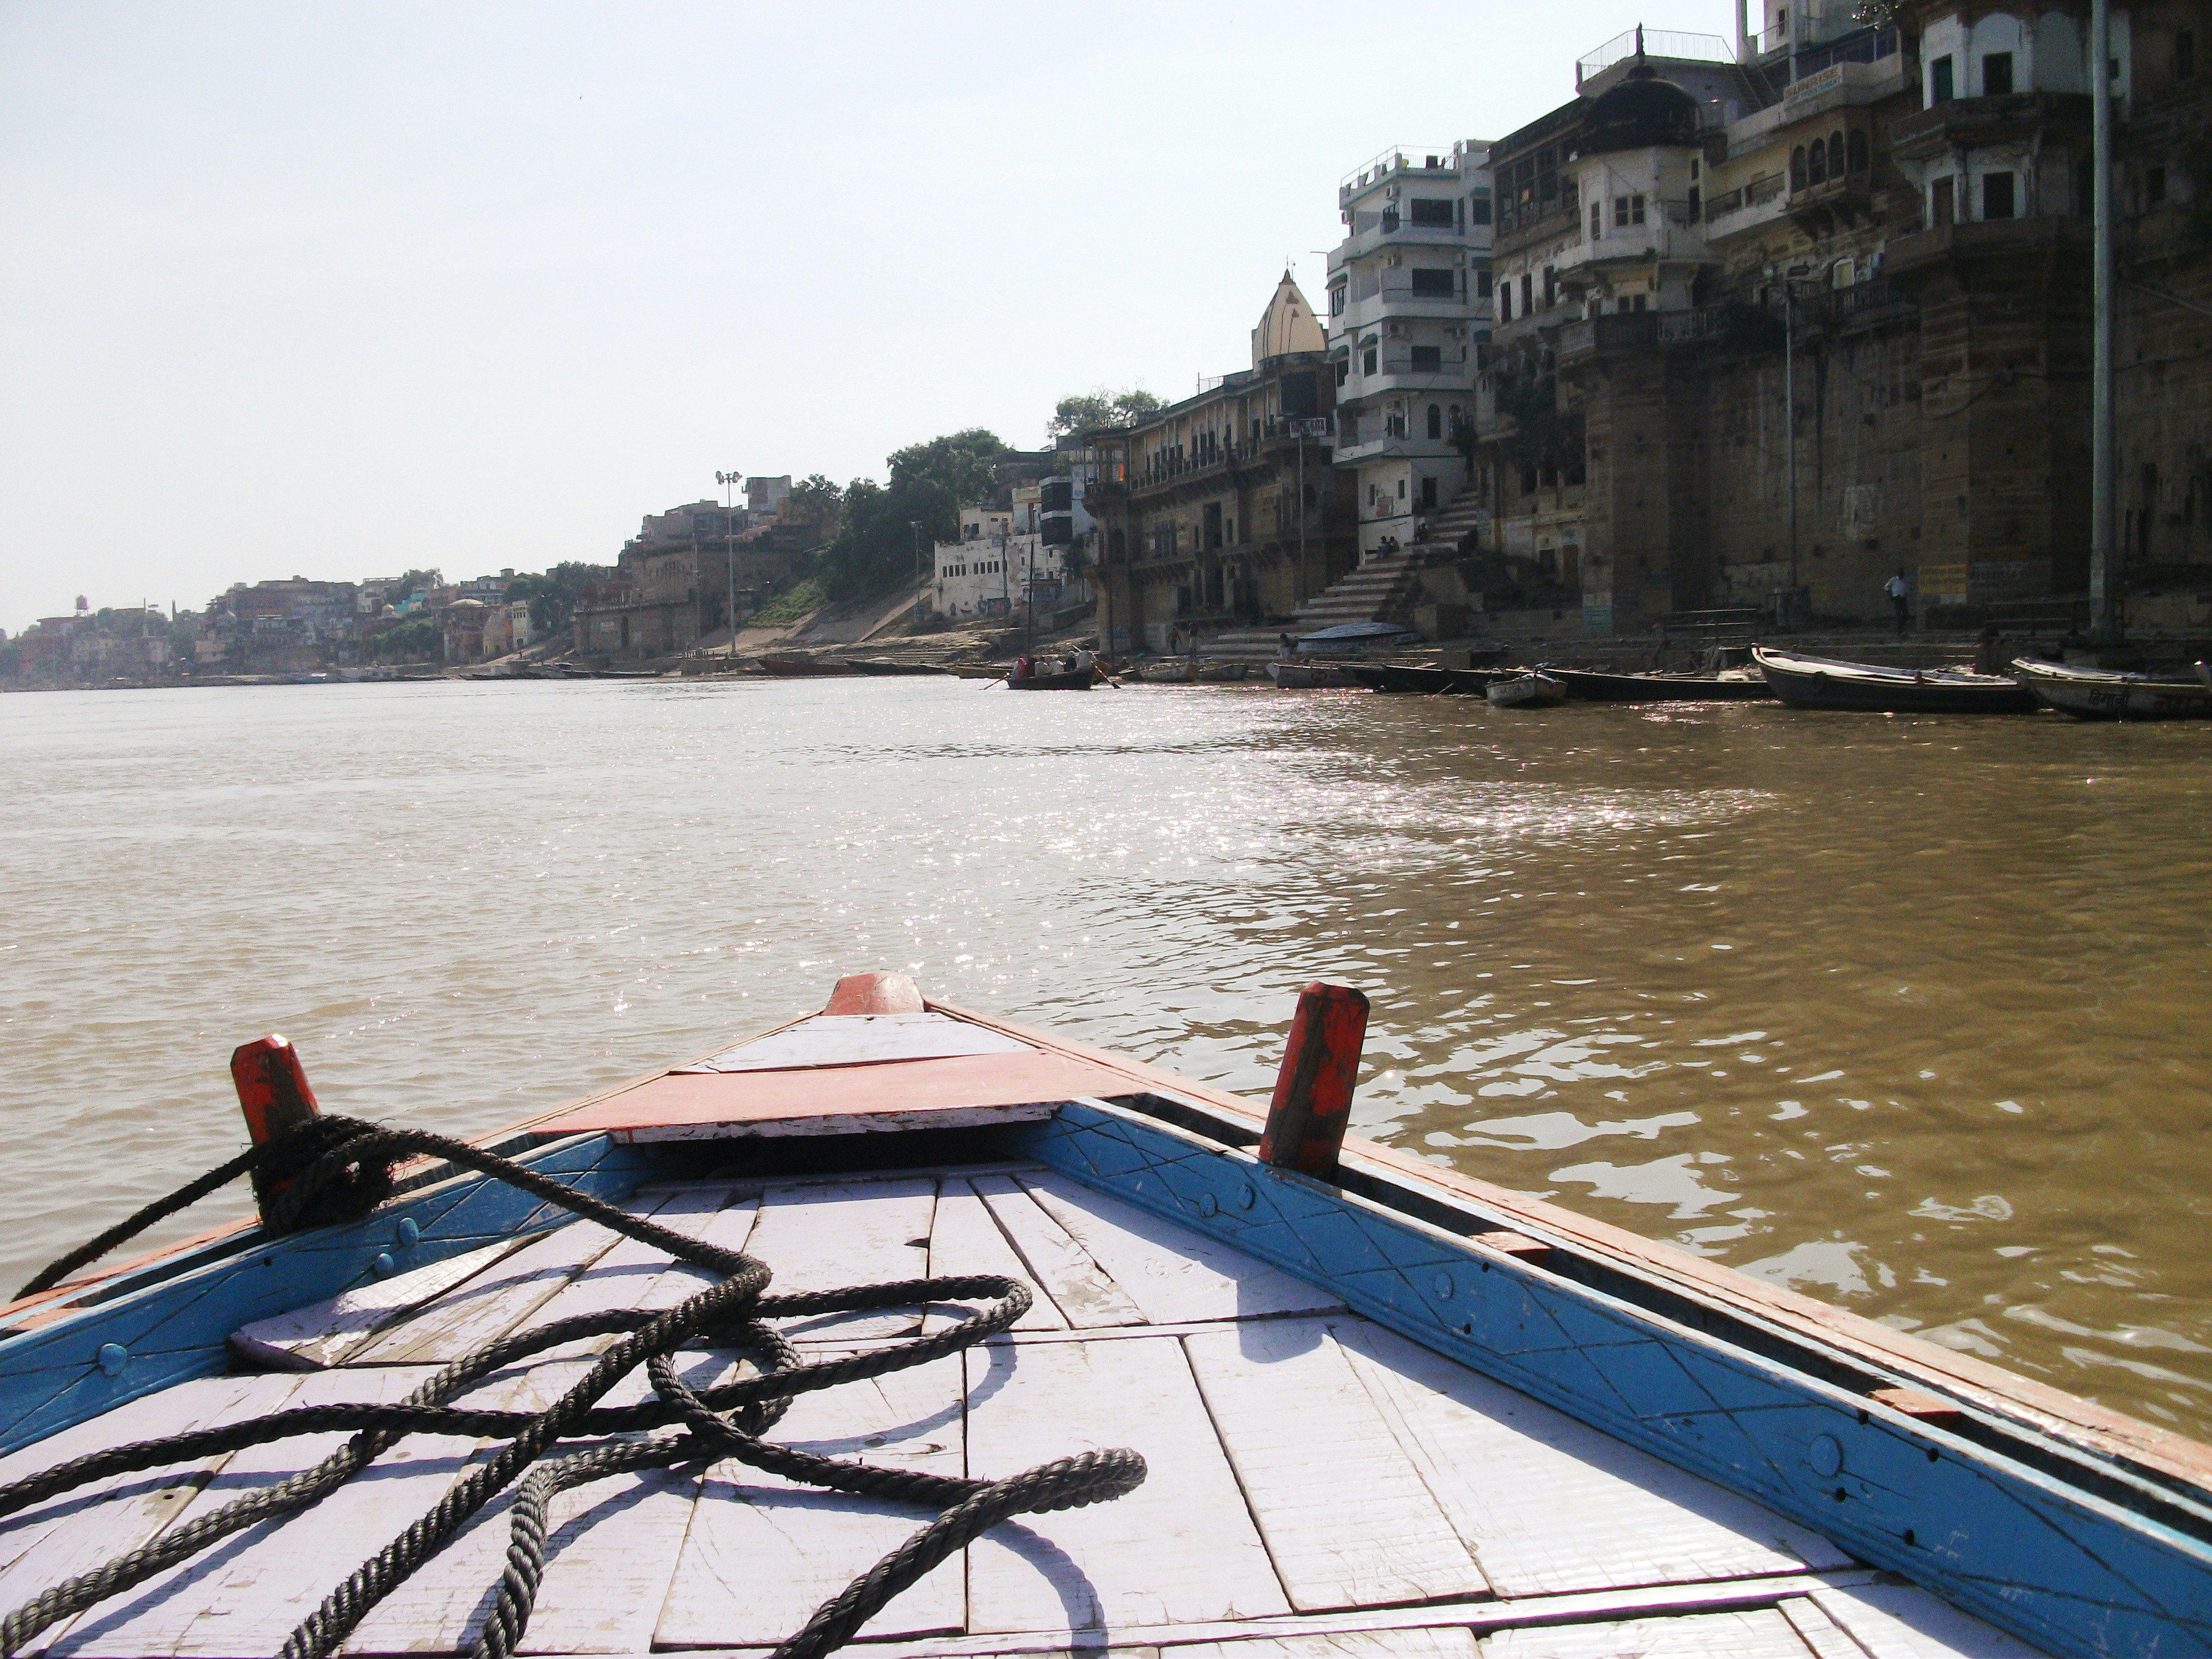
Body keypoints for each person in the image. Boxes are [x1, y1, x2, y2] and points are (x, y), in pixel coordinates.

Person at [1884, 570, 1910, 637]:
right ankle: (1899, 631)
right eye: (1900, 574)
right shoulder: (1894, 580)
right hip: (1897, 598)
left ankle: (1901, 627)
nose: (1901, 575)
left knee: (1906, 614)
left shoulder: (1905, 581)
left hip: (1903, 598)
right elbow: (1886, 587)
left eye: (1902, 574)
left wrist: (1905, 596)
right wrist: (1890, 596)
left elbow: (1906, 590)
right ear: (1898, 574)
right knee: (1898, 614)